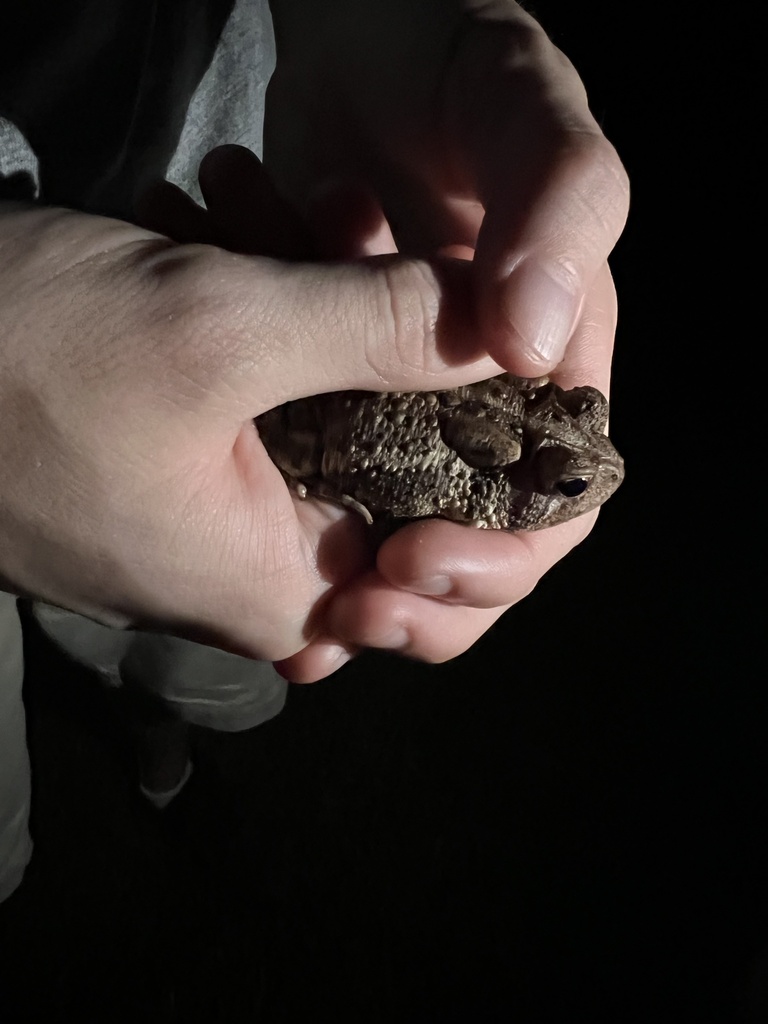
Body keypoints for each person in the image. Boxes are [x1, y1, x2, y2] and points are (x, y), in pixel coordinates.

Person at [0, 0, 629, 902]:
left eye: (579, 418)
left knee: (195, 654)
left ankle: (160, 761)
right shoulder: (480, 476)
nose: (594, 479)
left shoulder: (491, 395)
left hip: (229, 400)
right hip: (263, 411)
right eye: (569, 480)